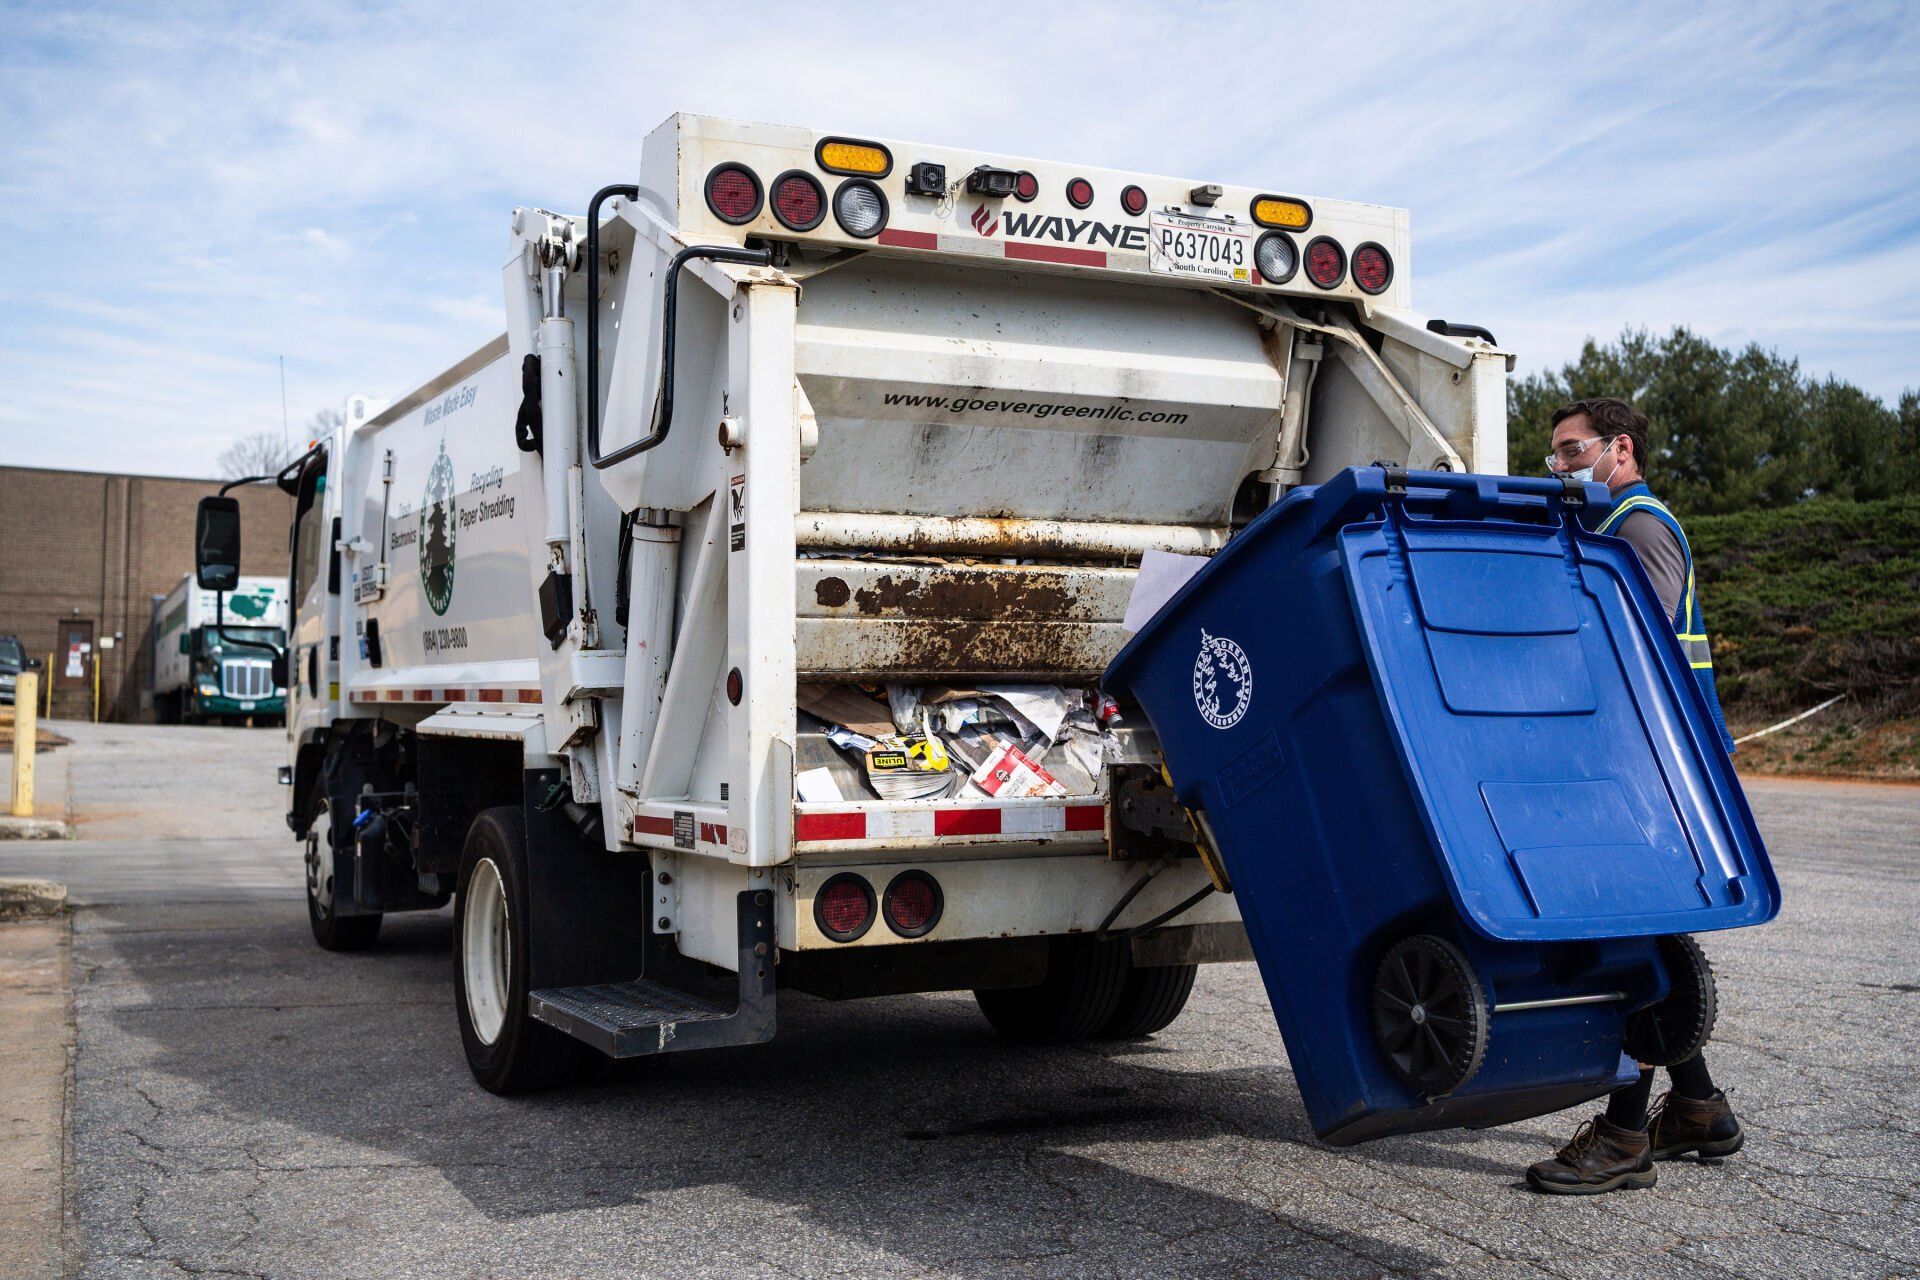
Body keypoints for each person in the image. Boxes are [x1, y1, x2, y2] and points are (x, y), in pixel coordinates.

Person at [1524, 397, 1745, 1196]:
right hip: (1647, 760)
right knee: (1647, 937)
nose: (1560, 464)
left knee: (1638, 948)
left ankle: (1622, 1137)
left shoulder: (1640, 526)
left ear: (1620, 448)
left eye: (1570, 449)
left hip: (1652, 766)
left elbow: (1630, 645)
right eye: (1553, 454)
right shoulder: (1608, 526)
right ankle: (1697, 1110)